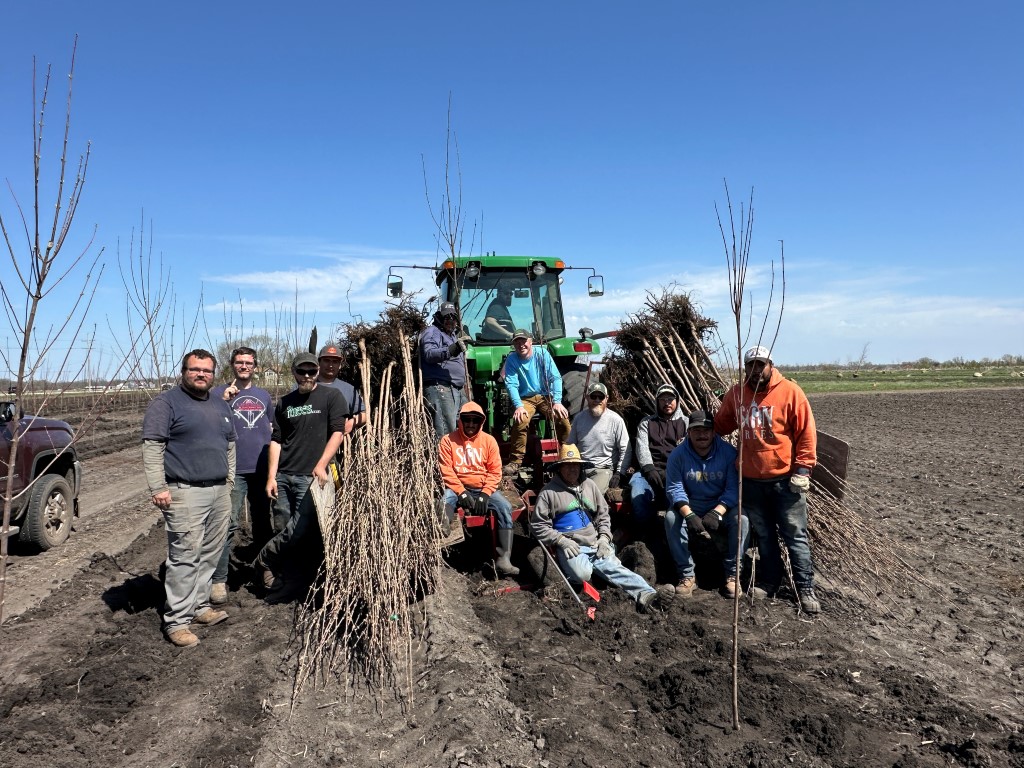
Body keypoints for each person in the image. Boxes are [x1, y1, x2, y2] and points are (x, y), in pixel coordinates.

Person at [714, 345, 820, 614]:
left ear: (771, 365)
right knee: (765, 537)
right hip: (751, 481)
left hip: (785, 481)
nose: (755, 370)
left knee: (795, 535)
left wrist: (803, 469)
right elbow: (722, 424)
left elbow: (806, 432)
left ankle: (805, 589)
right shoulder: (737, 394)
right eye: (750, 365)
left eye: (760, 365)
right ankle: (770, 582)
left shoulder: (790, 392)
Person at [142, 349, 235, 647]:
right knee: (185, 556)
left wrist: (229, 479)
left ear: (213, 374)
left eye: (207, 371)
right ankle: (177, 620)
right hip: (185, 492)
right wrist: (158, 487)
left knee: (210, 552)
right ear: (183, 371)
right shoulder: (166, 403)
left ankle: (199, 606)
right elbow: (153, 447)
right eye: (195, 369)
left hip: (219, 491)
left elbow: (230, 444)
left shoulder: (220, 405)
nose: (201, 374)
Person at [253, 352, 350, 599]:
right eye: (301, 371)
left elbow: (338, 433)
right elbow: (277, 440)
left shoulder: (332, 396)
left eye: (311, 371)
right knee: (283, 526)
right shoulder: (285, 403)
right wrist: (271, 476)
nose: (307, 376)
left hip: (312, 477)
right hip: (284, 475)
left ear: (317, 372)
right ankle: (288, 579)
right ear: (293, 372)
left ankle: (265, 559)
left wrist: (322, 464)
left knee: (304, 528)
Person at [531, 444, 659, 611]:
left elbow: (603, 513)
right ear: (559, 468)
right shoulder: (548, 493)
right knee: (582, 574)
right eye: (568, 465)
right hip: (572, 546)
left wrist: (604, 538)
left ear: (581, 466)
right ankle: (591, 576)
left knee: (615, 568)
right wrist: (561, 541)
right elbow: (538, 525)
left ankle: (648, 595)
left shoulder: (589, 486)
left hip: (594, 543)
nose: (572, 469)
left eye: (575, 465)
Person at [210, 346, 273, 605]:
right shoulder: (218, 394)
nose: (244, 366)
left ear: (255, 367)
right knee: (228, 524)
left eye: (248, 363)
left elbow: (270, 428)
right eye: (239, 362)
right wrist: (223, 401)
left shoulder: (264, 396)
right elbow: (209, 421)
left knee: (263, 523)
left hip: (260, 469)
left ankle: (265, 569)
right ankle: (219, 579)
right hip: (233, 471)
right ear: (232, 365)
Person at [665, 409, 747, 598]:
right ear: (689, 432)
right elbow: (675, 489)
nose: (702, 435)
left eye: (706, 430)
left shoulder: (728, 453)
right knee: (670, 518)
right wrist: (689, 514)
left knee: (742, 520)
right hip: (691, 504)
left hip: (721, 505)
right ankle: (687, 574)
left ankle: (733, 574)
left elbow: (734, 488)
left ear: (713, 432)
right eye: (696, 430)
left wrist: (717, 512)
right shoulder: (678, 455)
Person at [438, 401, 519, 575]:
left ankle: (504, 559)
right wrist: (461, 492)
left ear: (481, 422)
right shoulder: (447, 441)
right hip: (457, 487)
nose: (471, 424)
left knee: (504, 506)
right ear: (461, 420)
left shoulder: (489, 441)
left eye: (475, 421)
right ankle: (442, 533)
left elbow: (495, 471)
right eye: (467, 420)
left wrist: (485, 493)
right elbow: (446, 470)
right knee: (445, 499)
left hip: (482, 487)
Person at [502, 329, 571, 475]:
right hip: (525, 399)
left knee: (562, 419)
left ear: (530, 341)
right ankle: (515, 461)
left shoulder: (543, 354)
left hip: (545, 396)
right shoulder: (512, 359)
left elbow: (556, 378)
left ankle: (568, 455)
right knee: (521, 420)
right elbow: (511, 384)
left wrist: (557, 401)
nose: (521, 345)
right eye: (517, 342)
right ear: (514, 344)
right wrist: (518, 406)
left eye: (524, 341)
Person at [629, 384, 689, 533]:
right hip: (648, 472)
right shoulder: (646, 423)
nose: (667, 402)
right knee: (637, 493)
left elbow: (689, 451)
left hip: (676, 474)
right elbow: (641, 446)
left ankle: (674, 534)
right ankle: (647, 533)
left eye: (670, 399)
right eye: (662, 399)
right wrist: (649, 468)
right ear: (657, 402)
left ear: (677, 401)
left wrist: (673, 472)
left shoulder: (687, 423)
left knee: (675, 502)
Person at [567, 382, 631, 494]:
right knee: (558, 491)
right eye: (593, 396)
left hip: (603, 469)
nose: (597, 400)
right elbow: (570, 446)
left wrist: (619, 473)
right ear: (587, 398)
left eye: (600, 397)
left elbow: (625, 449)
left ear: (606, 398)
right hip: (580, 469)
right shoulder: (579, 419)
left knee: (589, 496)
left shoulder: (616, 420)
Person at [419, 302, 468, 437]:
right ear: (439, 317)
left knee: (466, 424)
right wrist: (452, 349)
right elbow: (429, 354)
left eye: (453, 318)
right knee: (447, 431)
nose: (450, 321)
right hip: (440, 386)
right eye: (446, 317)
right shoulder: (432, 332)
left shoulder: (452, 336)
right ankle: (443, 458)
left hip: (457, 388)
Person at [316, 343, 366, 431]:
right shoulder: (305, 387)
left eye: (335, 362)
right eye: (327, 360)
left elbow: (364, 415)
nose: (330, 365)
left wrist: (351, 423)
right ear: (319, 362)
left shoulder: (349, 389)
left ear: (340, 365)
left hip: (340, 442)